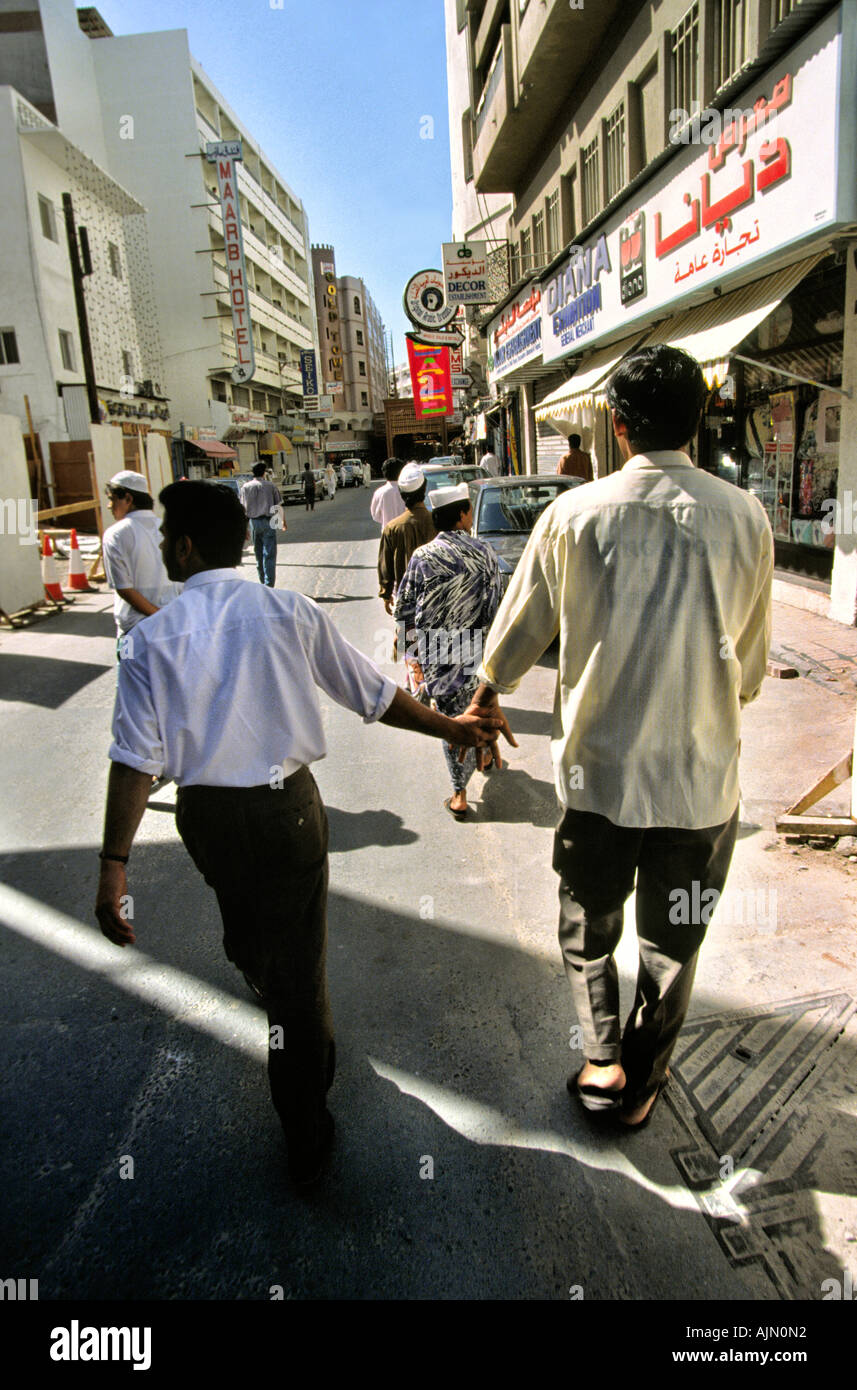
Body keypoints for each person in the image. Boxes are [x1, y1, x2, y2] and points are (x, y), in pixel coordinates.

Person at [94, 481, 502, 1185]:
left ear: (188, 546)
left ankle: (302, 1116)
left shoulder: (151, 640)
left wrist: (113, 865)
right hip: (289, 815)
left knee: (259, 946)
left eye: (166, 539)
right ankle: (301, 1078)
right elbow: (374, 698)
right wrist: (452, 725)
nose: (161, 549)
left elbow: (134, 763)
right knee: (296, 975)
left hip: (207, 820)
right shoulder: (288, 612)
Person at [465, 345, 773, 1129]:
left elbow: (520, 627)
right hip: (698, 781)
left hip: (597, 780)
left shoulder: (572, 513)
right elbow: (749, 664)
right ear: (698, 421)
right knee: (673, 943)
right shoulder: (745, 516)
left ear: (616, 425)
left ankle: (600, 1059)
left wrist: (485, 697)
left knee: (589, 929)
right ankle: (643, 1079)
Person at [394, 484, 504, 820]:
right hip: (475, 647)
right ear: (461, 515)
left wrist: (413, 660)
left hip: (437, 651)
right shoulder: (484, 552)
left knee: (451, 720)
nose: (471, 515)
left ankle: (459, 793)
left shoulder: (422, 556)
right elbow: (497, 607)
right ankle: (481, 754)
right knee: (479, 706)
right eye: (469, 510)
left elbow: (405, 610)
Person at [101, 470, 180, 656]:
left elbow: (124, 589)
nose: (109, 505)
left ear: (128, 499)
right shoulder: (170, 528)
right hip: (171, 629)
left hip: (131, 632)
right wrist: (166, 618)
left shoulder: (116, 534)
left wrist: (157, 615)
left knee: (126, 680)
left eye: (112, 499)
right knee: (167, 681)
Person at [377, 463, 435, 616]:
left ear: (402, 494)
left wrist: (386, 594)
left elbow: (386, 567)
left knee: (406, 639)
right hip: (436, 602)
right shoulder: (439, 522)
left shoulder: (392, 528)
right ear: (424, 489)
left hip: (406, 604)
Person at [240, 462, 283, 588]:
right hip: (268, 522)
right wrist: (280, 524)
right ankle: (269, 586)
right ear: (264, 472)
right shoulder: (270, 486)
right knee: (269, 555)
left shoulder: (245, 487)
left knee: (258, 555)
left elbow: (243, 509)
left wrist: (245, 528)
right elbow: (277, 506)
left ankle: (263, 584)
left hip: (253, 523)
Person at [371, 458, 406, 530]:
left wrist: (386, 518)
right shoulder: (408, 490)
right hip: (406, 532)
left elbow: (375, 516)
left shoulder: (379, 492)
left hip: (388, 533)